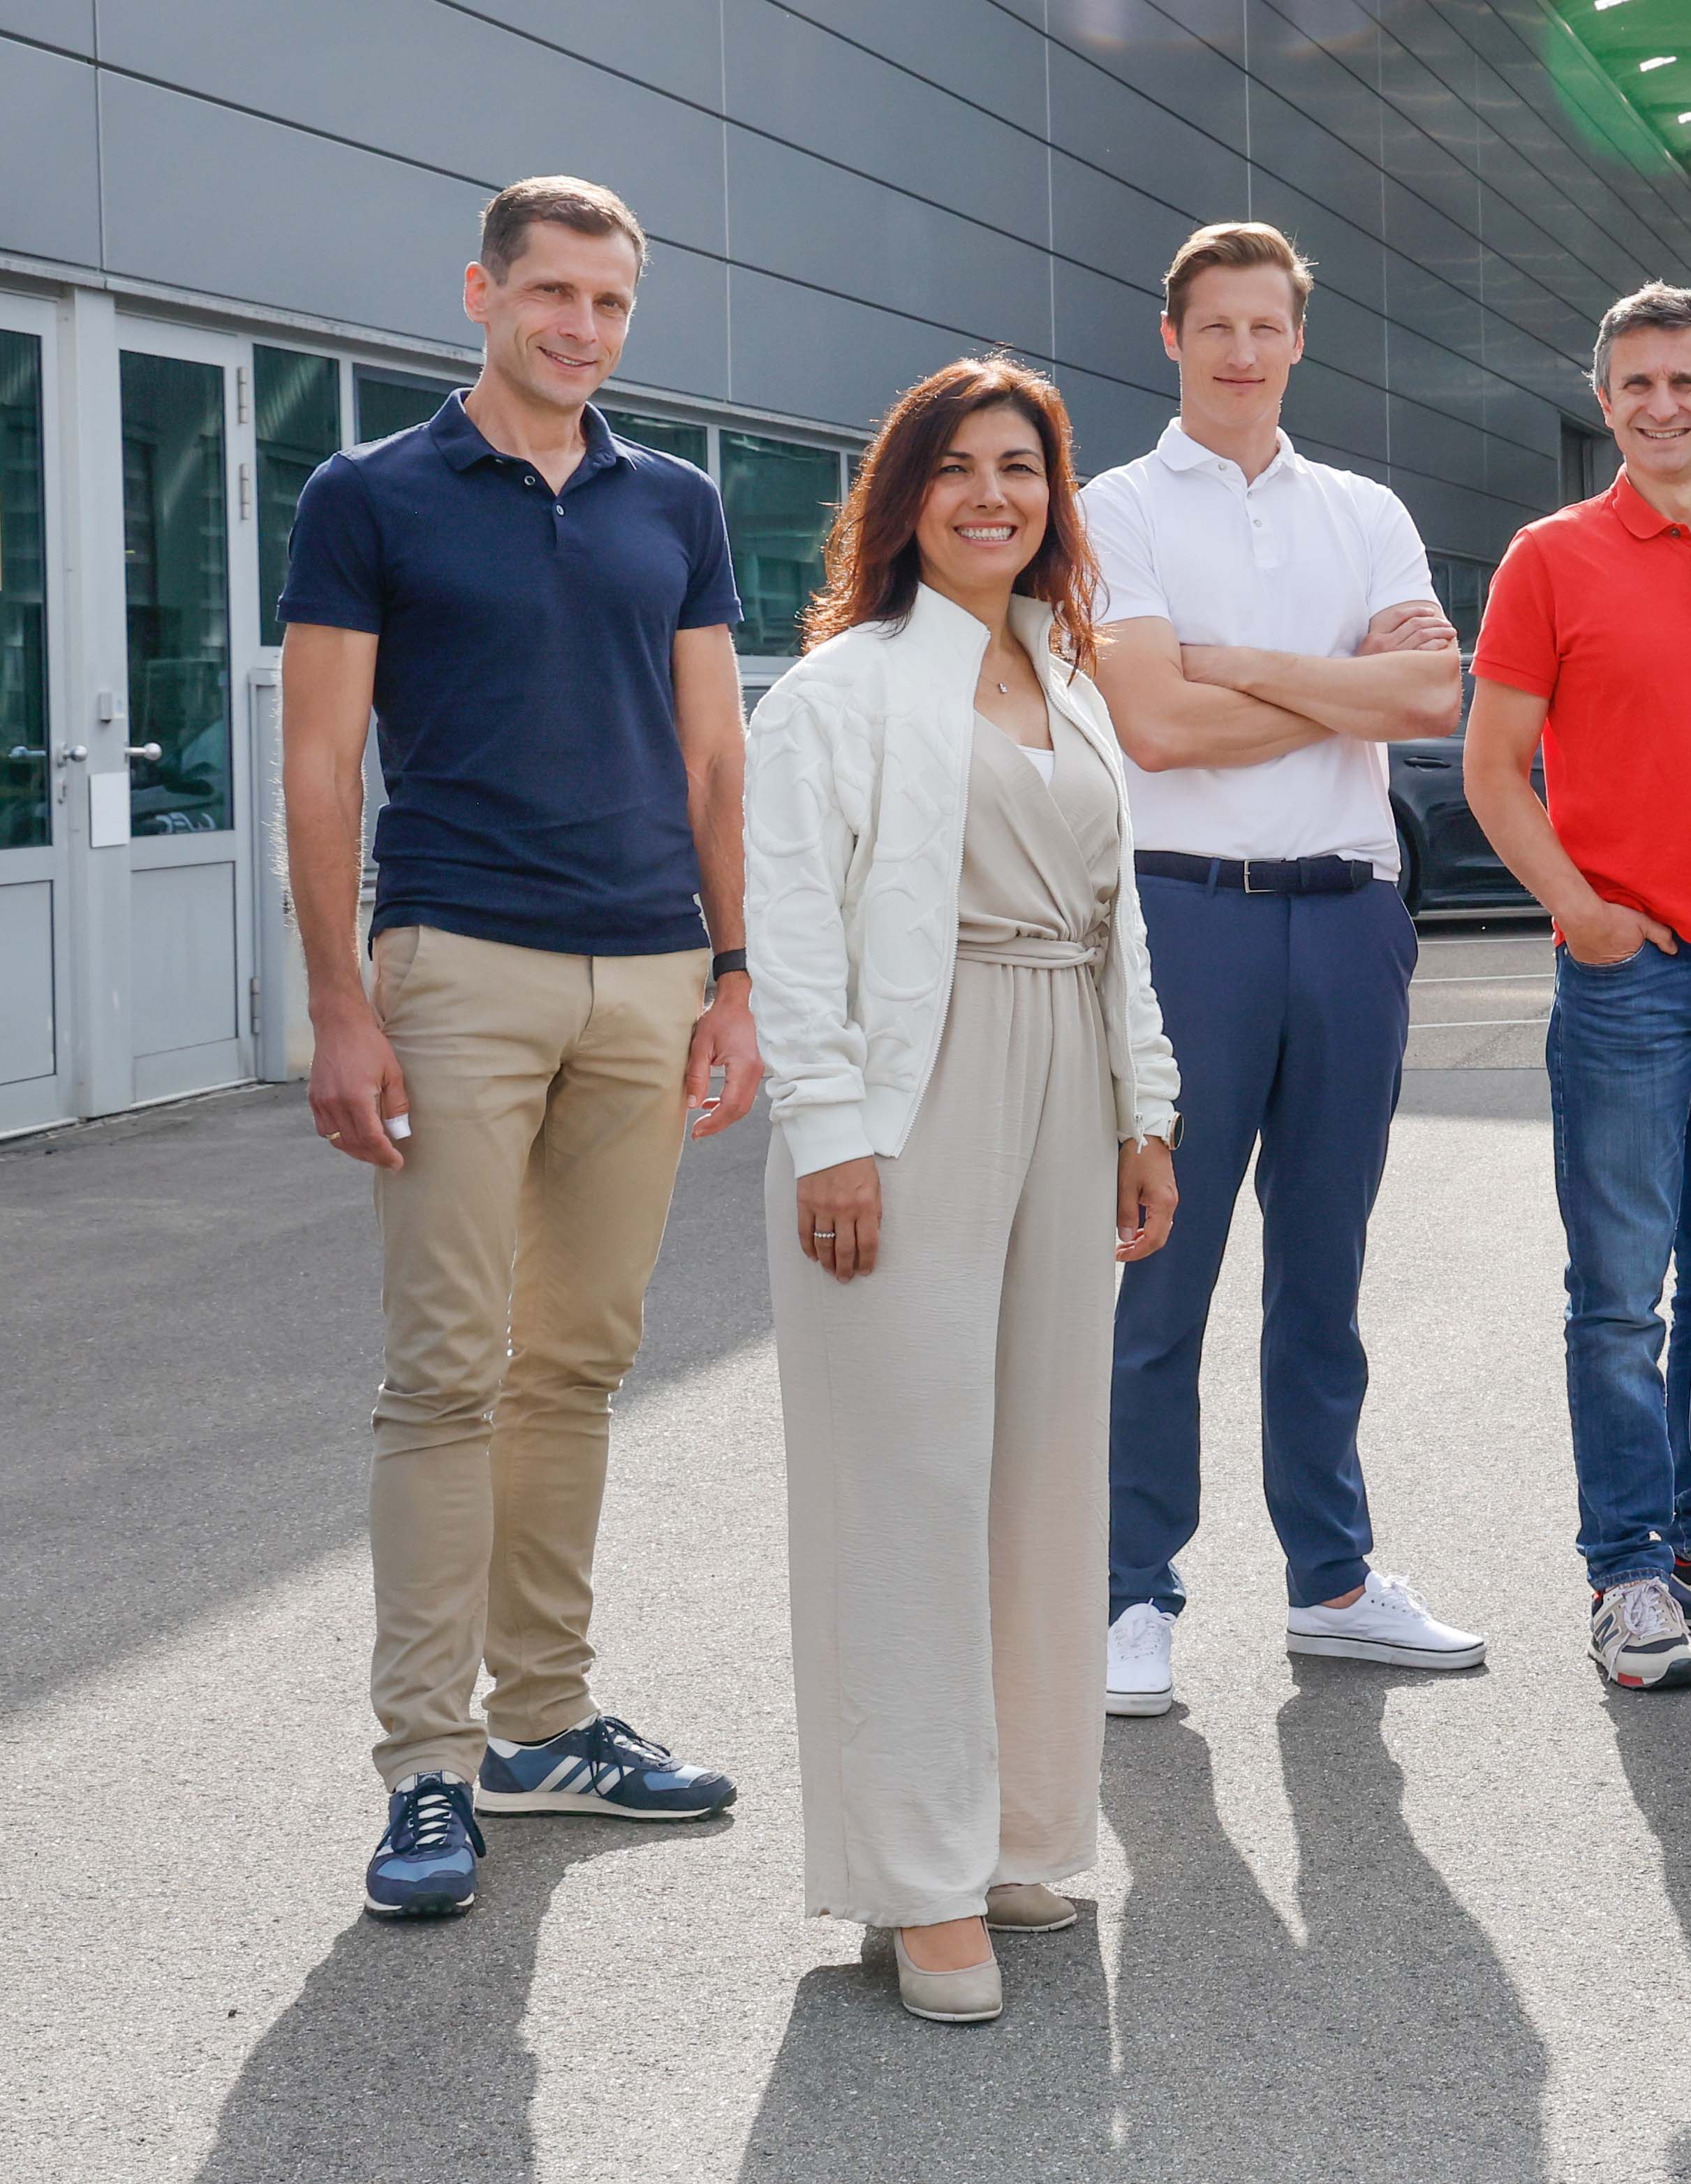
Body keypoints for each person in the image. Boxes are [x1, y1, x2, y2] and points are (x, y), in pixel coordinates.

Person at [279, 177, 753, 1922]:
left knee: (576, 1362)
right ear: (481, 292)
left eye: (611, 302)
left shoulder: (676, 501)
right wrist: (340, 999)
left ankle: (543, 1724)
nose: (582, 326)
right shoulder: (369, 495)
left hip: (648, 975)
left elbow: (716, 759)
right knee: (445, 1369)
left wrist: (739, 974)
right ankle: (425, 1763)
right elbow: (322, 765)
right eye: (551, 293)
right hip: (456, 960)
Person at [744, 358, 1181, 2026]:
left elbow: (1118, 916)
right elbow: (790, 933)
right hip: (909, 1103)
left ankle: (1014, 1831)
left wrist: (1148, 1109)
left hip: (1068, 1075)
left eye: (1024, 468)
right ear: (903, 494)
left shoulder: (1067, 674)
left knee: (1045, 1470)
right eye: (958, 468)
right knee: (909, 1485)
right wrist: (832, 1129)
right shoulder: (837, 694)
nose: (994, 495)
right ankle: (914, 1879)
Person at [1084, 220, 1479, 1714]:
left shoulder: (1367, 510)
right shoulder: (1108, 508)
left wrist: (1226, 659)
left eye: (1268, 326)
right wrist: (1332, 689)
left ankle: (1332, 1581)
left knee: (1326, 1272)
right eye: (1217, 326)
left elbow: (1433, 689)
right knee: (1159, 1275)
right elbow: (1155, 731)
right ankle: (1132, 1592)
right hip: (1187, 915)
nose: (1243, 351)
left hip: (1353, 912)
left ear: (1298, 341)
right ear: (1170, 334)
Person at [1463, 284, 1691, 1691]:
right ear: (1604, 398)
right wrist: (1578, 910)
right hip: (1626, 981)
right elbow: (1498, 768)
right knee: (1621, 1291)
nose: (1662, 404)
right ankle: (1625, 1567)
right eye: (1635, 384)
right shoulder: (1549, 559)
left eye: (1688, 381)